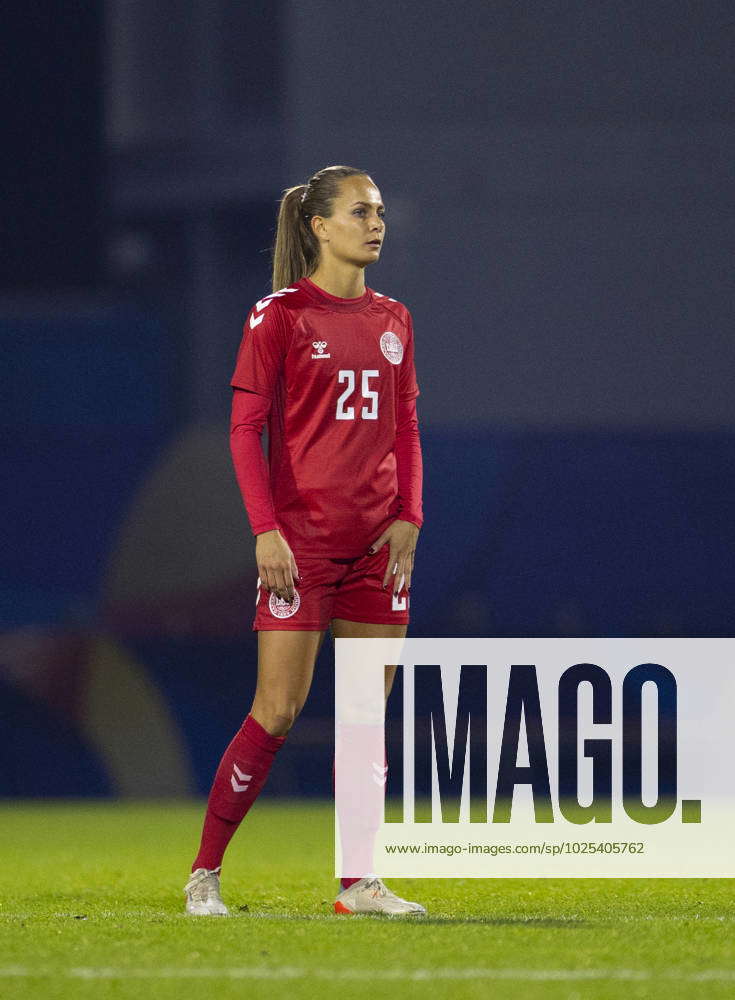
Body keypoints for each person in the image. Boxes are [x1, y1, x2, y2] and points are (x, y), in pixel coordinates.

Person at [184, 165, 425, 916]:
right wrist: (264, 530)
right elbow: (243, 430)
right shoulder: (279, 315)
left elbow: (406, 427)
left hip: (377, 549)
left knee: (362, 715)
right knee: (278, 710)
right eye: (360, 211)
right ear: (320, 226)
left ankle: (357, 884)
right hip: (302, 547)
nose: (375, 222)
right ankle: (204, 874)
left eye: (379, 211)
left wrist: (409, 515)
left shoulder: (394, 318)